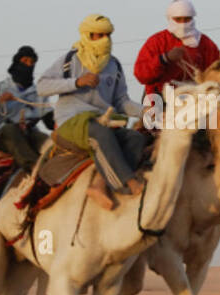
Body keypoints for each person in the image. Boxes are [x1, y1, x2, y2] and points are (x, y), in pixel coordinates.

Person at [36, 14, 145, 210]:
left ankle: (98, 185)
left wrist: (144, 111)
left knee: (136, 138)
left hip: (105, 120)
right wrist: (76, 82)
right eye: (98, 35)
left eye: (107, 35)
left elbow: (122, 102)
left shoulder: (114, 65)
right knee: (99, 132)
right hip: (71, 121)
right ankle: (129, 182)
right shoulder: (70, 60)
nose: (104, 40)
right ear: (87, 35)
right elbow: (42, 86)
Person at [133, 0, 220, 119]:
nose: (183, 24)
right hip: (161, 101)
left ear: (192, 18)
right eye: (178, 20)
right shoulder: (157, 42)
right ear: (170, 19)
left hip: (195, 103)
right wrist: (165, 58)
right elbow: (141, 73)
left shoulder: (205, 44)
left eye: (187, 19)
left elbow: (216, 77)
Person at [0, 45, 52, 170]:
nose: (29, 65)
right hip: (2, 134)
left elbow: (49, 119)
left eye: (32, 62)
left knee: (50, 144)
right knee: (11, 130)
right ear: (17, 63)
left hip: (29, 133)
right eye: (25, 61)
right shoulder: (1, 87)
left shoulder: (38, 92)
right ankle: (35, 168)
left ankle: (58, 169)